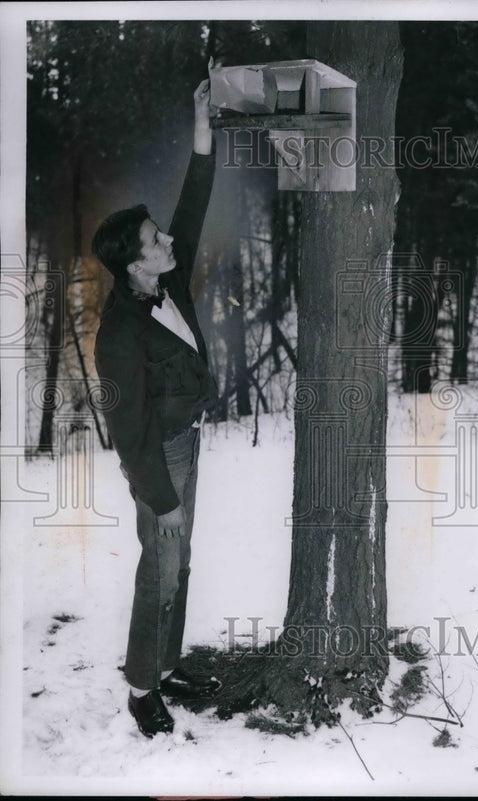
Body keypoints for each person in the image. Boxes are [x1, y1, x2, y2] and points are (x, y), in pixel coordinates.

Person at [92, 70, 221, 738]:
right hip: (157, 459)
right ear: (135, 264)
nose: (168, 240)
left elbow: (192, 206)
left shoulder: (168, 282)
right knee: (160, 567)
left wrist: (202, 129)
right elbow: (128, 429)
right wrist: (161, 497)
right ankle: (143, 687)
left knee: (181, 560)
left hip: (185, 441)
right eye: (155, 240)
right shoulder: (118, 333)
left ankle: (167, 666)